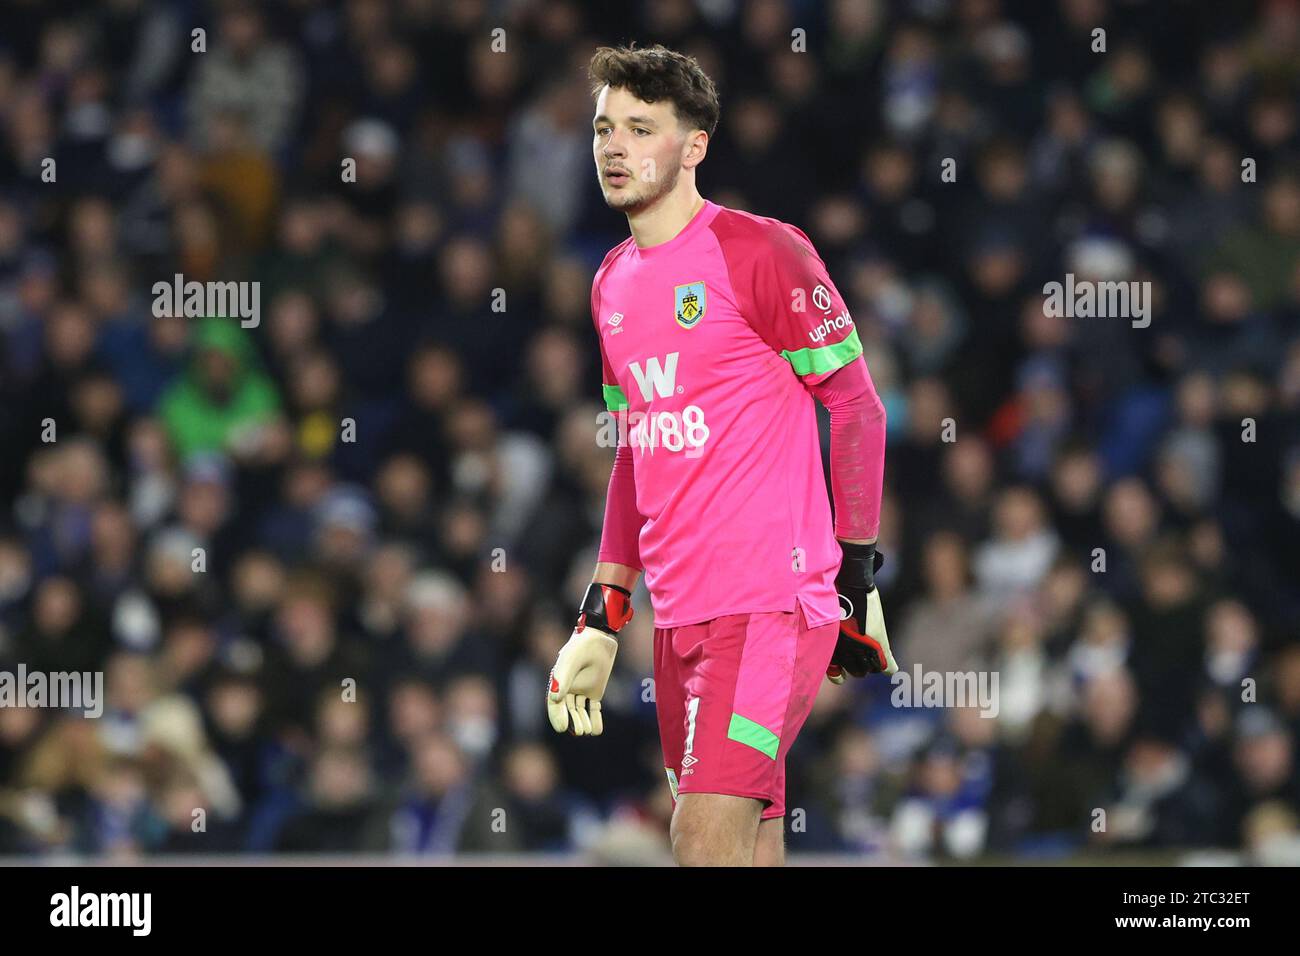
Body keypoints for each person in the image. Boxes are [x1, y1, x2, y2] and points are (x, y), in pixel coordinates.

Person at [545, 45, 891, 866]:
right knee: (750, 843)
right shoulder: (611, 283)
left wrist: (854, 569)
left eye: (640, 128)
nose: (614, 147)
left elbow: (856, 406)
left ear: (693, 146)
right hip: (681, 615)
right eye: (603, 128)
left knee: (700, 838)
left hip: (771, 600)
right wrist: (604, 611)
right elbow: (636, 452)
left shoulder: (760, 252)